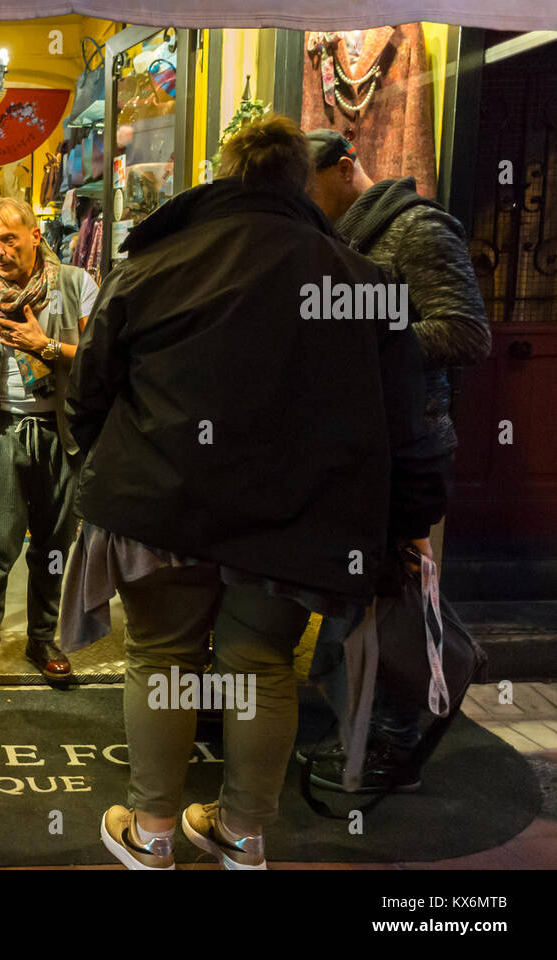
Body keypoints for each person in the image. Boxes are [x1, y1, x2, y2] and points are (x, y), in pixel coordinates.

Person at [64, 115, 450, 869]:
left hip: (161, 504)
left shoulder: (151, 266)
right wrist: (411, 519)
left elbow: (90, 392)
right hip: (298, 519)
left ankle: (151, 834)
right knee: (260, 665)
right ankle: (242, 834)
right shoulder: (363, 284)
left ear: (224, 176)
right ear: (303, 185)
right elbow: (412, 421)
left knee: (162, 660)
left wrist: (100, 464)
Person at [303, 129, 490, 793]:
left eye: (306, 183)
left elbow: (467, 332)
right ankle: (362, 729)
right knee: (361, 594)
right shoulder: (341, 234)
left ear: (345, 165)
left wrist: (365, 344)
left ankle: (393, 745)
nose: (301, 198)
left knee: (392, 599)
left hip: (407, 453)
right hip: (361, 450)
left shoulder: (414, 228)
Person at [0, 197, 98, 700]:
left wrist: (45, 346)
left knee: (54, 546)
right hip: (1, 432)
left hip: (62, 436)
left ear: (35, 236)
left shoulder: (77, 285)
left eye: (8, 239)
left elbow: (99, 364)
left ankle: (42, 639)